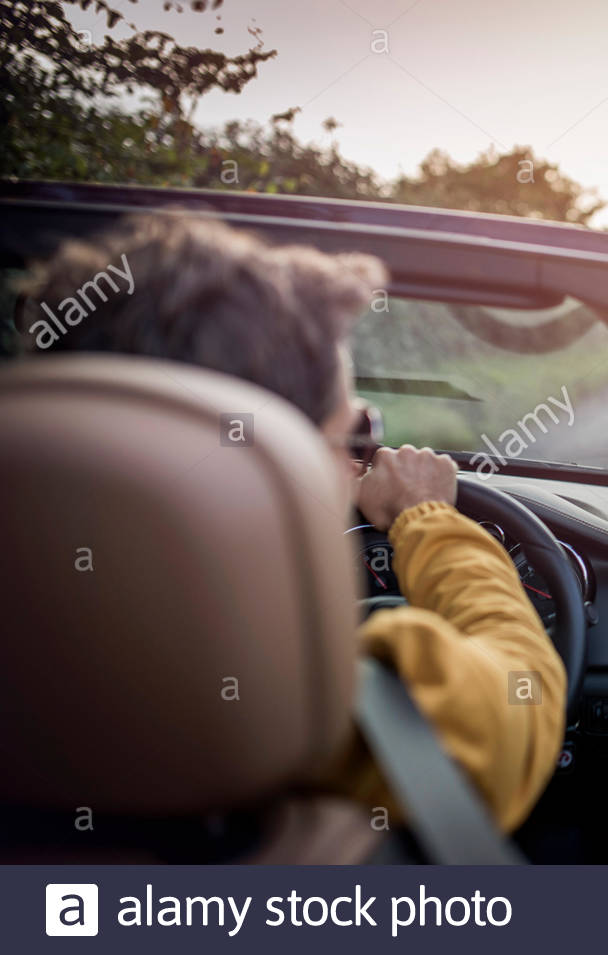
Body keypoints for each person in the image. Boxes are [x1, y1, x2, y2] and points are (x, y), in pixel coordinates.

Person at [17, 213, 566, 833]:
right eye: (357, 434)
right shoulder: (303, 716)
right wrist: (426, 518)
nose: (361, 463)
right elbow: (519, 701)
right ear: (264, 458)